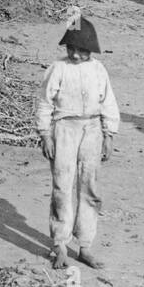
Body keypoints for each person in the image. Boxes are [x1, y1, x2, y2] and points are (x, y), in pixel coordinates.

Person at [36, 16, 119, 270]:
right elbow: (44, 103)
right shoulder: (58, 69)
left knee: (89, 188)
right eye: (71, 49)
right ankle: (60, 244)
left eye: (81, 50)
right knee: (62, 186)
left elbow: (108, 103)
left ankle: (84, 245)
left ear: (91, 49)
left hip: (92, 129)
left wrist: (109, 135)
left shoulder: (98, 70)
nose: (75, 55)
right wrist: (45, 134)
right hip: (65, 129)